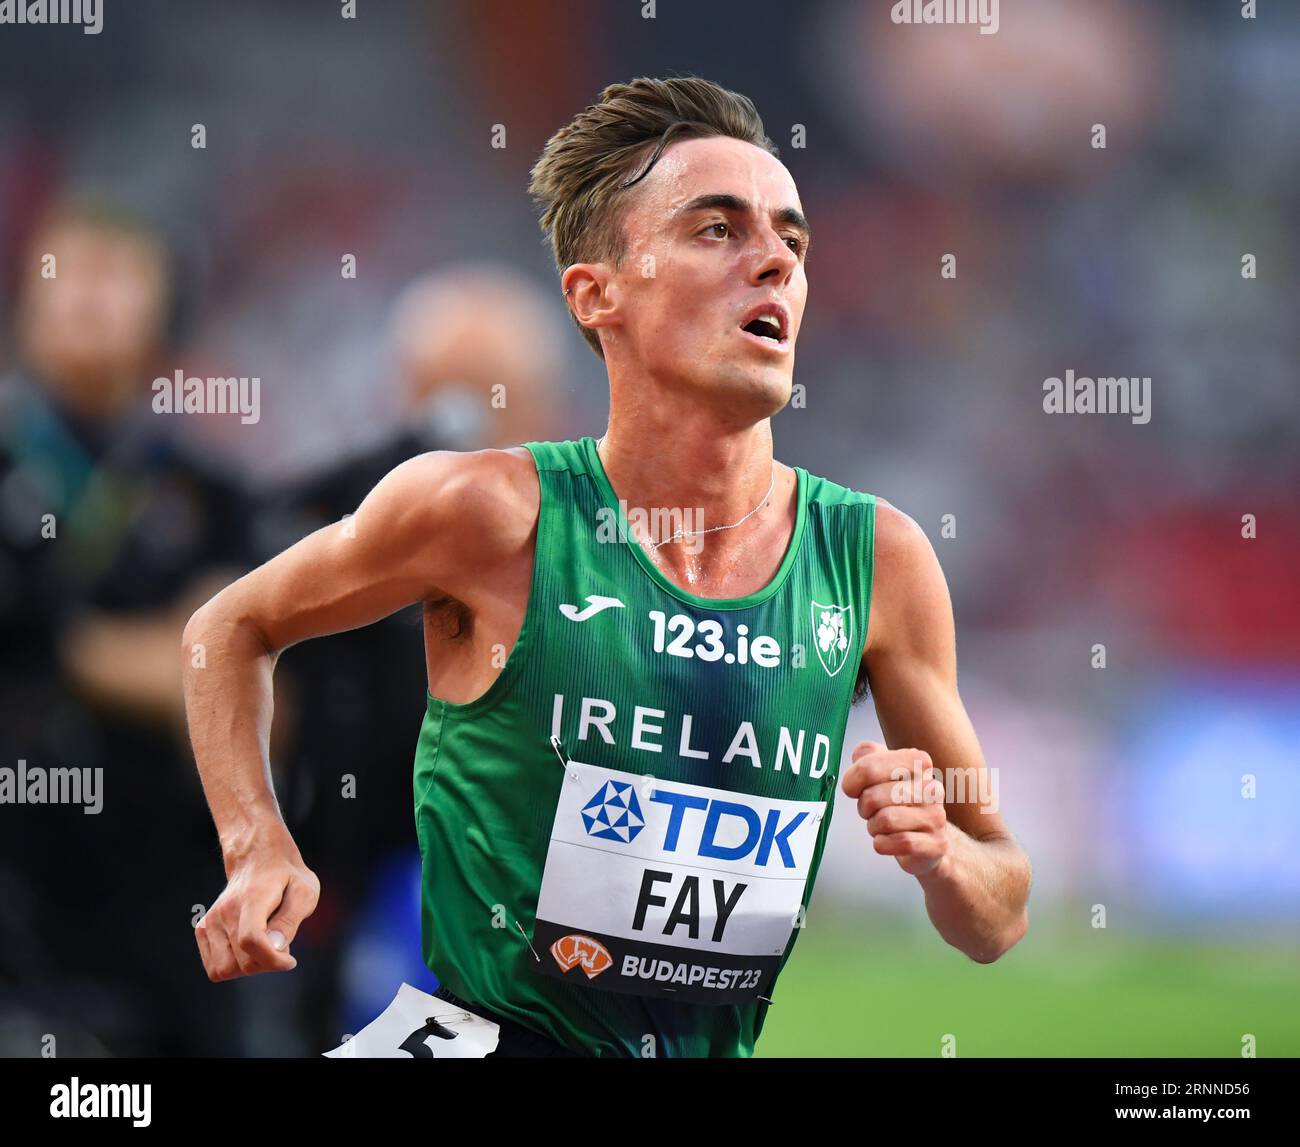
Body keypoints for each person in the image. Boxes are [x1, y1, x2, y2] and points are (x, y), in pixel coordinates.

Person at [182, 76, 1031, 1058]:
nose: (771, 263)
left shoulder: (875, 557)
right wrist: (255, 845)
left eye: (791, 241)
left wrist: (938, 857)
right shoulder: (488, 513)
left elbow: (998, 908)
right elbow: (228, 629)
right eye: (717, 230)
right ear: (598, 294)